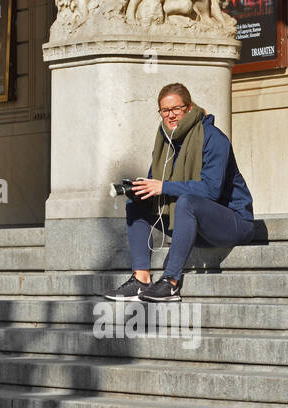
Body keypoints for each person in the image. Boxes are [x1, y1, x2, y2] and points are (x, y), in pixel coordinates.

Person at [106, 82, 254, 303]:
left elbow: (211, 190)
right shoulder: (166, 142)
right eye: (165, 110)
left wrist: (163, 187)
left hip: (234, 223)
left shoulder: (213, 137)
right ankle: (141, 279)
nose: (171, 115)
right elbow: (155, 184)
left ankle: (171, 284)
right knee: (137, 203)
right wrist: (138, 189)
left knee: (187, 202)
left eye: (176, 109)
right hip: (196, 227)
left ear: (188, 107)